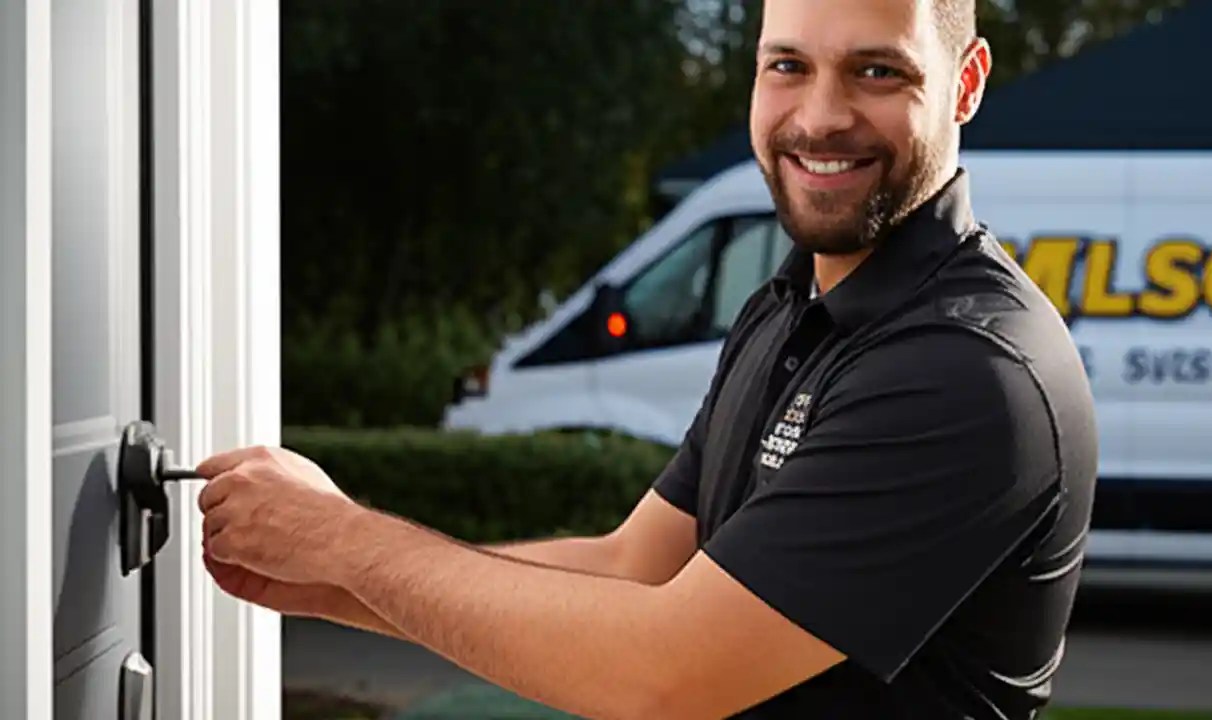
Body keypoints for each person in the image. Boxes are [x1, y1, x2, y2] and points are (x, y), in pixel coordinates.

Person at [196, 0, 1098, 717]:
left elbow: (663, 674)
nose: (821, 117)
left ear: (966, 83)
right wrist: (332, 582)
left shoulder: (968, 368)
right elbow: (634, 568)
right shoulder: (791, 305)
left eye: (877, 71)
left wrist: (346, 542)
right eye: (788, 66)